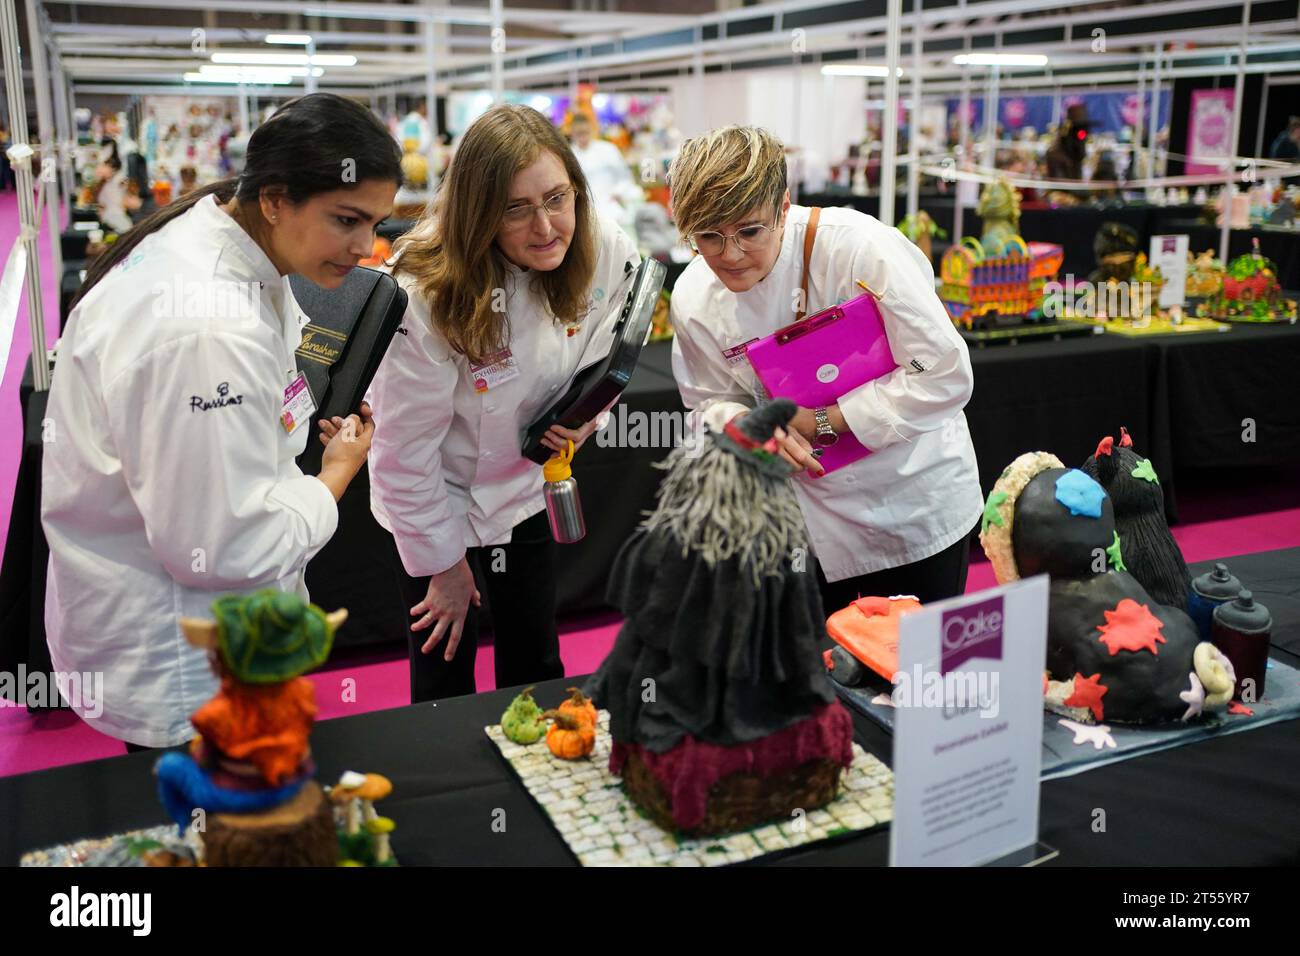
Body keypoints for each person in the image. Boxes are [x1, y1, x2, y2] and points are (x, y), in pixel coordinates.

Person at [42, 93, 403, 750]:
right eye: (346, 219)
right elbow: (225, 545)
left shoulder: (228, 251)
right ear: (274, 198)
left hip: (193, 635)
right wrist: (333, 479)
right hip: (185, 667)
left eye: (375, 222)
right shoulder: (206, 325)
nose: (364, 246)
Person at [363, 104, 639, 702]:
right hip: (435, 493)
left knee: (536, 658)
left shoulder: (601, 246)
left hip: (520, 490)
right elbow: (402, 453)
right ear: (478, 213)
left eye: (557, 198)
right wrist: (442, 563)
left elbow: (612, 356)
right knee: (444, 668)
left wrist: (583, 423)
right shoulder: (422, 291)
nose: (546, 228)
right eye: (516, 209)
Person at [665, 125, 982, 609]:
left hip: (912, 500)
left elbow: (943, 372)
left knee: (914, 675)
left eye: (750, 231)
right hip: (802, 523)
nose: (729, 255)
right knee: (811, 671)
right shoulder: (692, 297)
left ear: (785, 207)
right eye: (707, 237)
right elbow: (707, 401)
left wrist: (821, 423)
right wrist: (747, 429)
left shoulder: (858, 248)